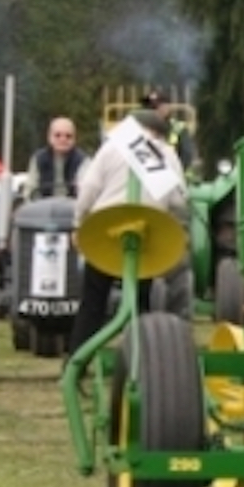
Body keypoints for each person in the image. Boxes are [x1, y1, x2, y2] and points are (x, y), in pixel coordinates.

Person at [65, 108, 191, 361]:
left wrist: (79, 223)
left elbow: (88, 189)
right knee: (140, 301)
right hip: (146, 236)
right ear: (159, 133)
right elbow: (179, 201)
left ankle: (76, 362)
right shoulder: (167, 155)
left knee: (93, 302)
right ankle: (141, 360)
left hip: (107, 232)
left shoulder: (111, 148)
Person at [26, 117, 88, 200]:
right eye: (57, 135)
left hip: (73, 208)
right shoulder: (38, 159)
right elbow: (30, 190)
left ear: (75, 139)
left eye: (68, 136)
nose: (63, 139)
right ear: (49, 137)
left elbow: (86, 190)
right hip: (43, 208)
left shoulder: (83, 160)